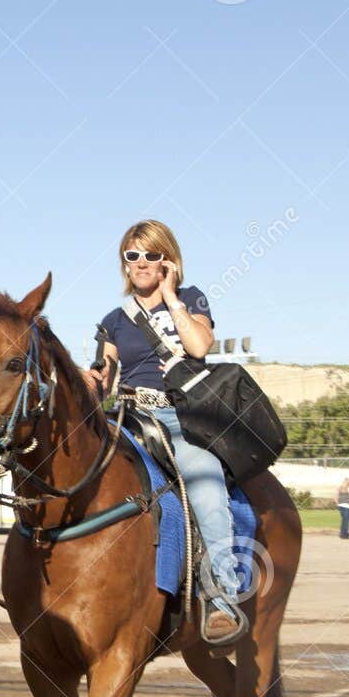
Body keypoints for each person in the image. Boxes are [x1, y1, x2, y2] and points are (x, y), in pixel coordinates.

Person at [85, 219, 245, 645]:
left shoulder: (191, 299)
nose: (140, 263)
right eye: (131, 255)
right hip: (128, 419)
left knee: (207, 485)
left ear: (168, 260)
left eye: (151, 255)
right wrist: (87, 378)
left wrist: (172, 297)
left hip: (180, 421)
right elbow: (105, 373)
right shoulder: (114, 320)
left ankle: (220, 598)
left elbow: (198, 347)